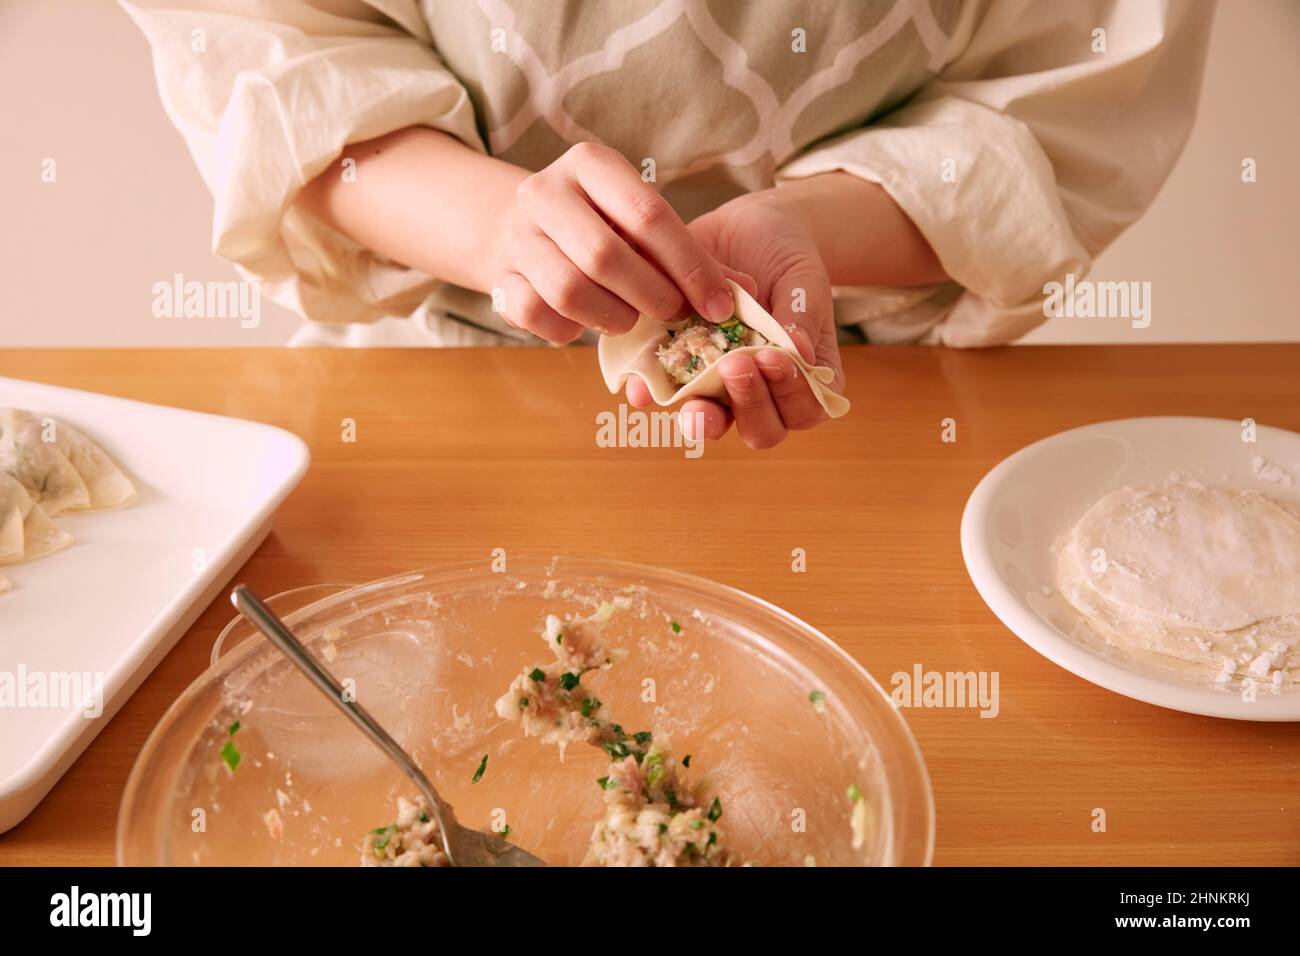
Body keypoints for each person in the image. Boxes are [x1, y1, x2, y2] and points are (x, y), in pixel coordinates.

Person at [123, 0, 1213, 449]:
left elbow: (1080, 87)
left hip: (878, 387)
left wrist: (806, 234)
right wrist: (502, 224)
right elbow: (268, 56)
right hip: (415, 389)